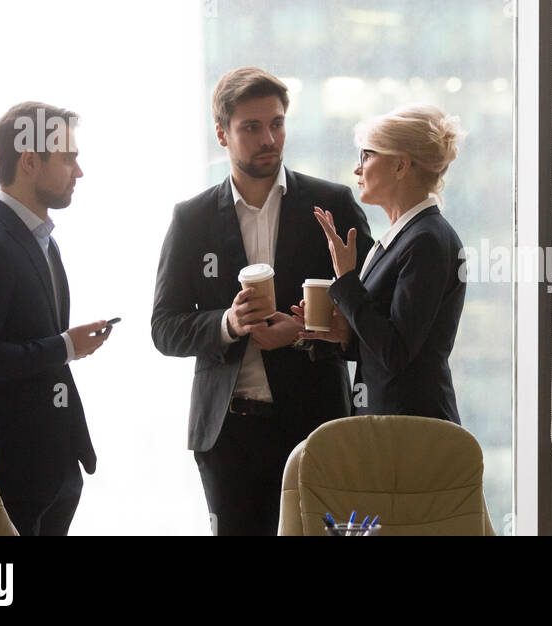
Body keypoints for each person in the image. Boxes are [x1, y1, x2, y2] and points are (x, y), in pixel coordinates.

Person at [151, 67, 373, 535]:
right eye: (251, 127)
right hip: (227, 435)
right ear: (222, 134)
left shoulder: (330, 204)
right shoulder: (191, 219)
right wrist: (228, 323)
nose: (268, 138)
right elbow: (164, 327)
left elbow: (369, 321)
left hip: (316, 425)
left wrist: (304, 333)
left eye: (276, 124)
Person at [0, 101, 112, 536]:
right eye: (68, 158)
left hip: (52, 472)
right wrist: (66, 346)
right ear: (30, 161)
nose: (79, 172)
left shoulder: (43, 242)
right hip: (8, 472)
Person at [294, 105, 467, 424]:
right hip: (392, 427)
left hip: (411, 431)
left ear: (401, 165)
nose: (357, 169)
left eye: (366, 155)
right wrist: (345, 334)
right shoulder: (407, 237)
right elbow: (390, 344)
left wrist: (346, 280)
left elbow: (396, 353)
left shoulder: (425, 240)